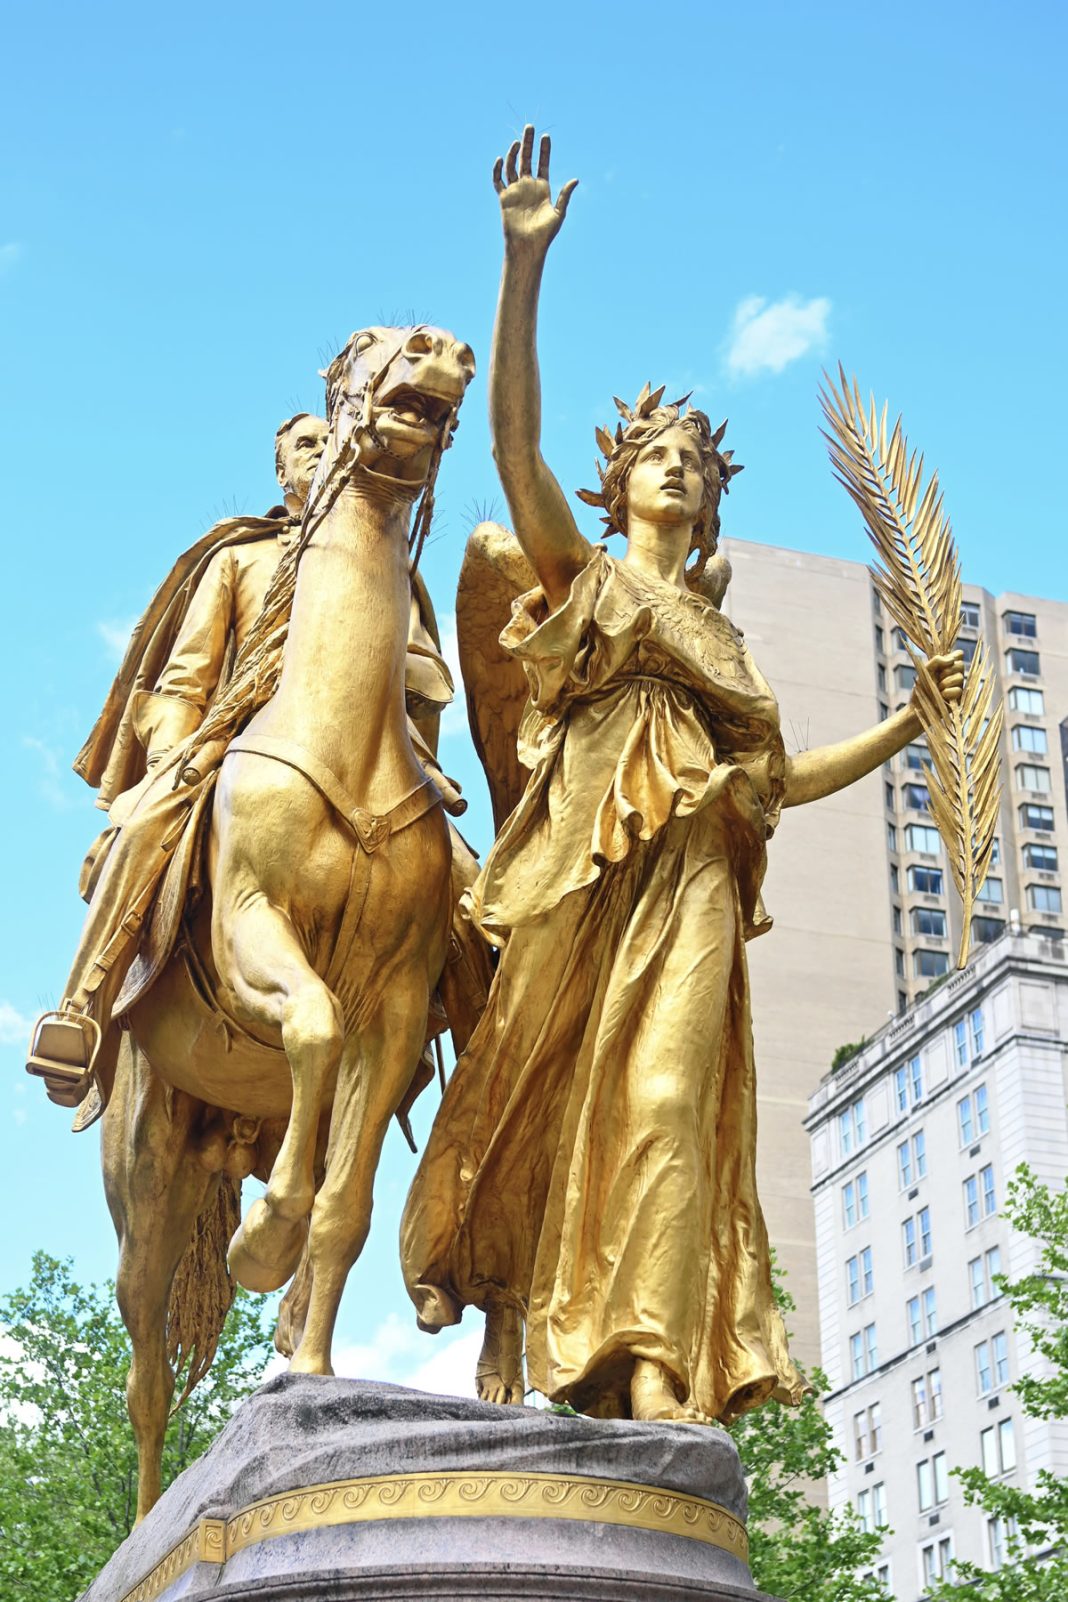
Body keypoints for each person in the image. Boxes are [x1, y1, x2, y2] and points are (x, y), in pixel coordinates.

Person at [399, 127, 964, 1425]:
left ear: (709, 504)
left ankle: (652, 1359)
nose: (674, 466)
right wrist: (522, 265)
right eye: (656, 452)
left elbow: (776, 776)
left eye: (694, 464)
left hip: (700, 883)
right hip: (592, 898)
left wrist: (904, 730)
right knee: (583, 1109)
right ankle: (589, 1339)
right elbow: (512, 446)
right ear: (621, 484)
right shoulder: (587, 586)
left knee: (670, 1104)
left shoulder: (726, 644)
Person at [27, 413, 467, 1125]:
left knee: (476, 890)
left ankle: (479, 1062)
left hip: (373, 762)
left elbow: (425, 696)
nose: (323, 451)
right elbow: (183, 681)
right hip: (237, 741)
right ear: (282, 472)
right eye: (306, 445)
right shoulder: (241, 558)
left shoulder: (393, 566)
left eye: (333, 440)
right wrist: (173, 756)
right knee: (140, 826)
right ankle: (83, 1007)